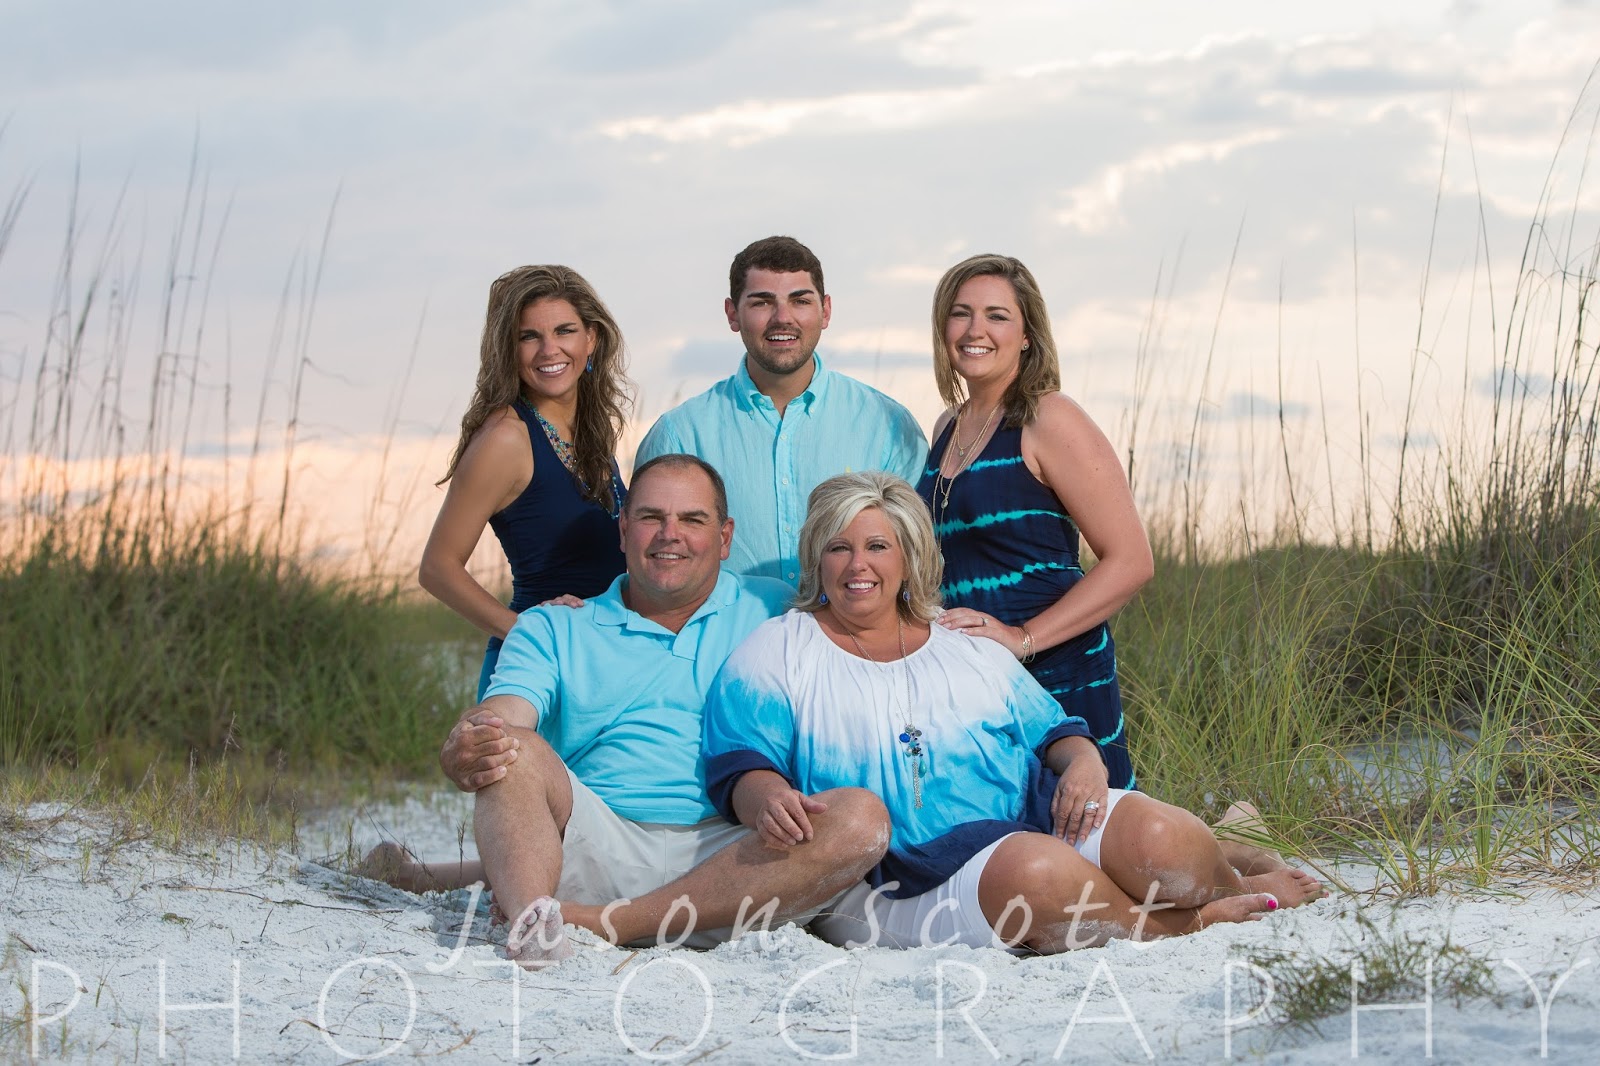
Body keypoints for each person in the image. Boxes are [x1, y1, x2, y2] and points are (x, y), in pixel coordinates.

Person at [703, 473, 1318, 953]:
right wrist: (767, 799)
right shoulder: (780, 648)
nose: (858, 565)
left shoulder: (962, 643)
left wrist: (1084, 764)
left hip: (1032, 817)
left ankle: (1237, 884)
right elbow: (741, 765)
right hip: (898, 877)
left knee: (1167, 839)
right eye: (838, 547)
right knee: (1038, 873)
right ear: (818, 558)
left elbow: (1059, 735)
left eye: (877, 546)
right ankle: (1191, 923)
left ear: (909, 558)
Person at [367, 455, 891, 967]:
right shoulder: (554, 627)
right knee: (509, 747)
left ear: (725, 536)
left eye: (692, 519)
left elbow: (876, 625)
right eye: (650, 518)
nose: (670, 534)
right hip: (593, 848)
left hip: (741, 858)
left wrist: (959, 627)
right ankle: (533, 921)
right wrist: (470, 741)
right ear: (623, 531)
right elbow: (503, 716)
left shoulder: (777, 609)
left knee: (860, 818)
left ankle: (599, 923)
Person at [914, 254, 1148, 796]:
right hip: (979, 679)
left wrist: (1023, 639)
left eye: (997, 315)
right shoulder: (947, 427)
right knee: (1016, 838)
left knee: (1098, 827)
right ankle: (1237, 838)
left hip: (1056, 668)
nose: (976, 331)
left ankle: (1237, 859)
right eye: (960, 314)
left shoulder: (1049, 417)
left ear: (1026, 335)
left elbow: (1132, 561)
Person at [635, 235, 928, 585]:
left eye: (800, 300)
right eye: (762, 302)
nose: (783, 318)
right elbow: (645, 567)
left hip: (853, 639)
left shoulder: (889, 426)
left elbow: (919, 558)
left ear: (826, 310)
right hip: (727, 640)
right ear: (732, 313)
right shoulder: (679, 434)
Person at [421, 265, 631, 700]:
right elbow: (437, 569)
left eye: (564, 331)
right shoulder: (505, 438)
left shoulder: (590, 430)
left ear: (590, 338)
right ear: (508, 350)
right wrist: (527, 635)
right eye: (528, 336)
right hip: (536, 672)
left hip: (595, 660)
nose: (548, 349)